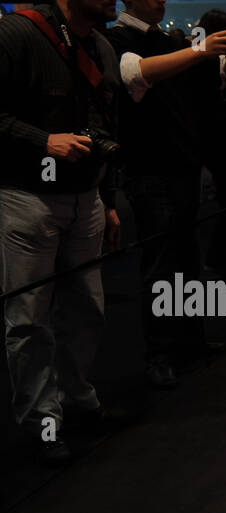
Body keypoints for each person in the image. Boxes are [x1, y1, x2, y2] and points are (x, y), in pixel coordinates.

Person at [107, 0, 226, 388]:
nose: (161, 1)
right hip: (147, 167)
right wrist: (199, 50)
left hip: (183, 165)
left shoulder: (171, 40)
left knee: (185, 258)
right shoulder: (113, 38)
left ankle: (190, 342)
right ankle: (160, 353)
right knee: (161, 263)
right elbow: (134, 75)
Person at [0, 0, 122, 463]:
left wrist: (108, 199)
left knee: (88, 308)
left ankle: (77, 398)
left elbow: (108, 123)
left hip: (85, 197)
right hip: (24, 195)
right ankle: (41, 422)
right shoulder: (17, 34)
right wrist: (43, 141)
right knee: (30, 318)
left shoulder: (102, 46)